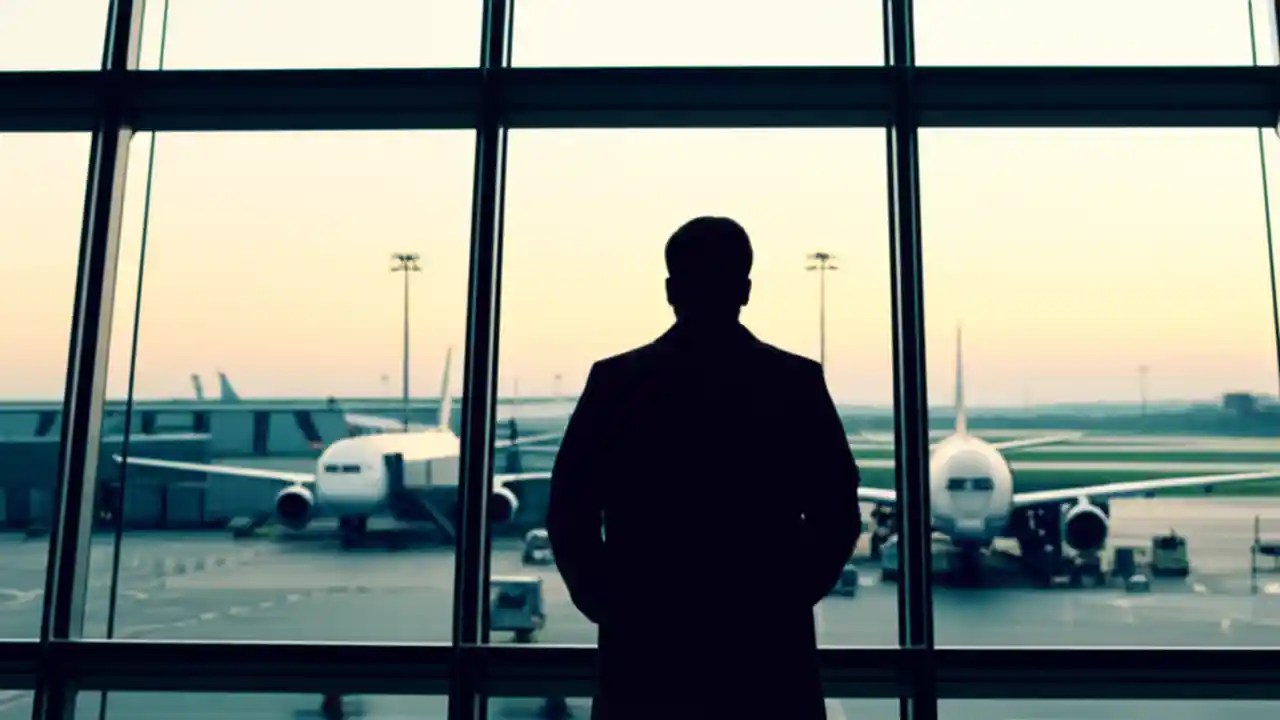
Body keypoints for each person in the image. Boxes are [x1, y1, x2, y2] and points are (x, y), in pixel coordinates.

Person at [547, 216, 862, 720]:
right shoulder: (795, 382)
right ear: (745, 290)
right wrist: (783, 600)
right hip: (766, 657)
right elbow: (838, 514)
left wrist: (610, 602)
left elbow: (569, 511)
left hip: (646, 654)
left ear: (671, 290)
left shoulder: (616, 383)